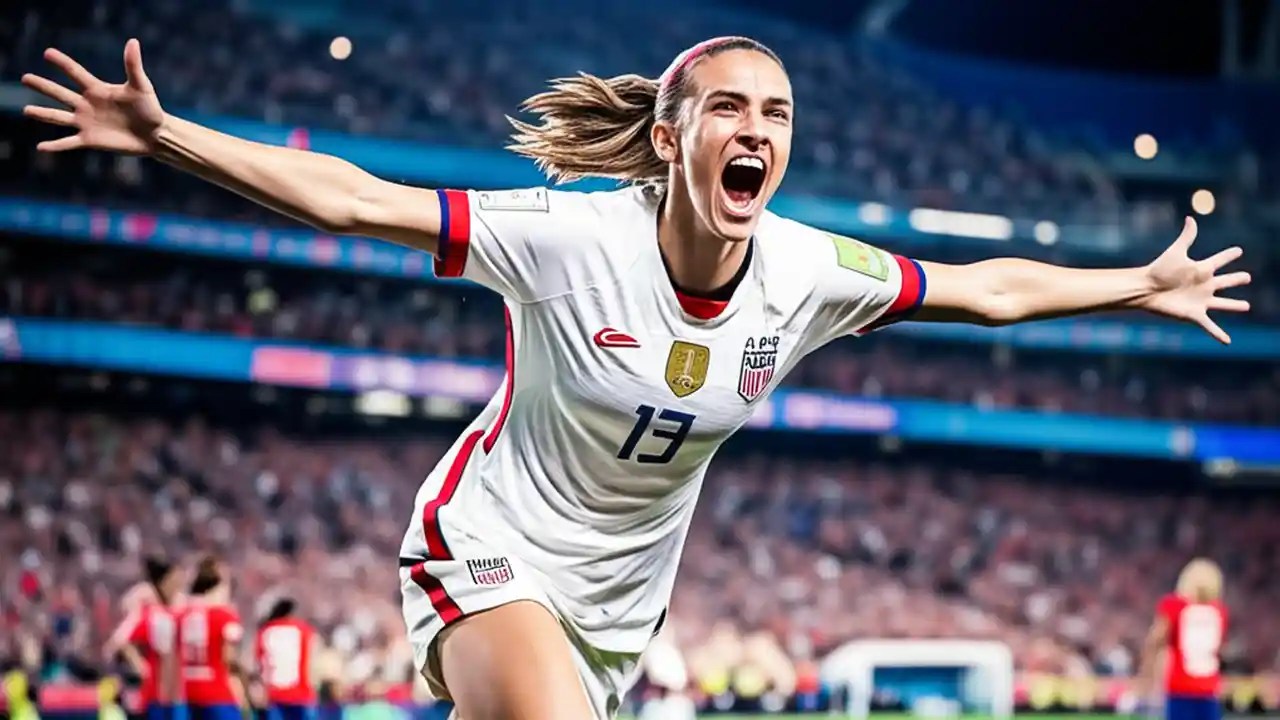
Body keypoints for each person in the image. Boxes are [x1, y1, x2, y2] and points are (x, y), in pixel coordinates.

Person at [22, 36, 1252, 720]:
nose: (756, 128)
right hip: (487, 545)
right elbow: (356, 201)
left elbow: (985, 290)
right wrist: (166, 135)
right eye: (727, 108)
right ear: (669, 137)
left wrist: (1136, 284)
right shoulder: (570, 239)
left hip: (618, 613)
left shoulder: (807, 272)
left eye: (776, 113)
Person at [1138, 558, 1229, 720]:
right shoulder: (1220, 612)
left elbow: (1156, 639)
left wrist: (1146, 673)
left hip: (1180, 686)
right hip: (1209, 688)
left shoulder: (1174, 606)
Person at [104, 556, 187, 720]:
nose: (178, 585)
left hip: (168, 686)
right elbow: (120, 640)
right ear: (164, 581)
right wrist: (140, 666)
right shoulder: (144, 599)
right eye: (175, 580)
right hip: (140, 684)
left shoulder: (177, 601)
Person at [176, 556, 250, 720]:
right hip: (217, 691)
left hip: (187, 689)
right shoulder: (224, 616)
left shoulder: (181, 614)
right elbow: (229, 658)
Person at [253, 596, 318, 720]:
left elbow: (259, 665)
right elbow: (311, 664)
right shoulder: (304, 630)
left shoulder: (265, 631)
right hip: (300, 695)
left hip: (272, 695)